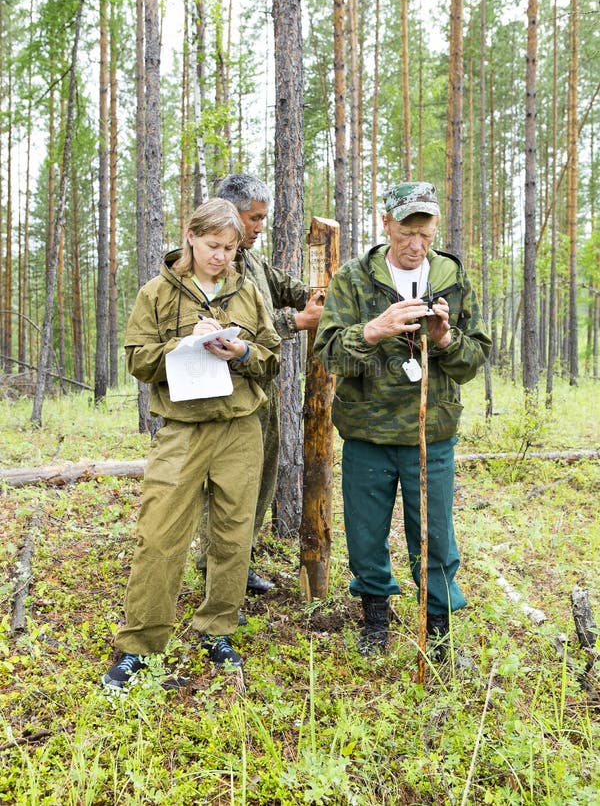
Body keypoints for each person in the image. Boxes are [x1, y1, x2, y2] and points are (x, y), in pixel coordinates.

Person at [102, 198, 280, 689]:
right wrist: (181, 347)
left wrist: (241, 350)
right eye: (212, 246)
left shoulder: (247, 292)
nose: (221, 256)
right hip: (181, 429)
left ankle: (217, 629)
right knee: (159, 535)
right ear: (190, 236)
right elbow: (138, 359)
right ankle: (139, 644)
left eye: (230, 247)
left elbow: (271, 355)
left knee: (232, 535)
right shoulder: (158, 292)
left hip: (240, 427)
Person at [313, 181, 491, 659]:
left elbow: (474, 360)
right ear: (386, 223)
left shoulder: (451, 278)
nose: (416, 245)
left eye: (426, 234)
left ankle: (438, 625)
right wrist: (372, 330)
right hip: (367, 432)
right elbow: (329, 353)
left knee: (434, 533)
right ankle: (375, 615)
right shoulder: (354, 279)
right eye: (407, 231)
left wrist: (446, 340)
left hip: (432, 433)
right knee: (366, 530)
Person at [195, 173, 324, 594]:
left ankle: (240, 560)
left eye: (262, 219)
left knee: (261, 479)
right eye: (254, 218)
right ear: (230, 212)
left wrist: (325, 294)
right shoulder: (210, 266)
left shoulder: (251, 261)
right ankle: (214, 566)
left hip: (260, 390)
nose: (259, 227)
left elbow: (287, 289)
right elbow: (232, 331)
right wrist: (296, 322)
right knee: (224, 486)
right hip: (222, 396)